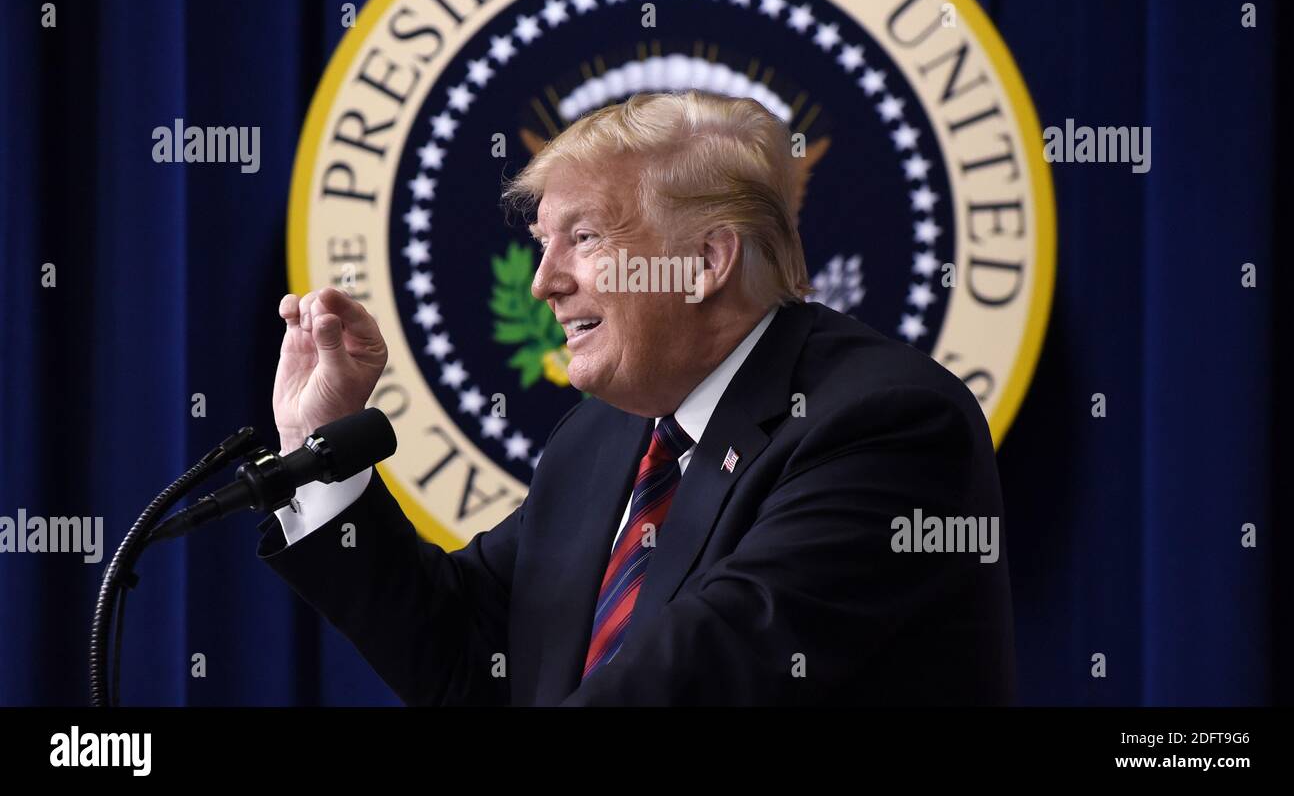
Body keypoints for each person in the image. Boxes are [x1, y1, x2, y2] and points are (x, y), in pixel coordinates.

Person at [258, 90, 1015, 705]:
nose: (543, 280)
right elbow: (469, 657)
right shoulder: (601, 438)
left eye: (583, 239)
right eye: (543, 243)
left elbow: (703, 675)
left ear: (705, 261)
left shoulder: (885, 425)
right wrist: (322, 453)